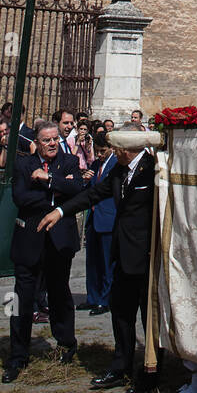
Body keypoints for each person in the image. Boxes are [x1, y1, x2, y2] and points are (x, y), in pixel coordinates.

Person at [39, 129, 157, 393]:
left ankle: (150, 373)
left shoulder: (153, 170)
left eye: (117, 148)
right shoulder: (119, 171)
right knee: (121, 313)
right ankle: (121, 365)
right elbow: (93, 194)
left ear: (128, 148)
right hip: (122, 255)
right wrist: (60, 211)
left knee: (149, 317)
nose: (113, 152)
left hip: (146, 256)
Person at [4, 119, 84, 383]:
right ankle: (17, 354)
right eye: (46, 140)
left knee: (60, 294)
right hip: (30, 238)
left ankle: (66, 344)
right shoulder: (23, 165)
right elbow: (20, 198)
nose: (52, 144)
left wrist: (48, 179)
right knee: (21, 299)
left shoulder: (69, 162)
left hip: (59, 241)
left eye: (55, 140)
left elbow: (77, 191)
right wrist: (56, 193)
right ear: (36, 143)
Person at [83, 134, 116, 316]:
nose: (100, 155)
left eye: (103, 152)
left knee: (106, 263)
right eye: (97, 152)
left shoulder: (116, 165)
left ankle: (105, 299)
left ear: (110, 148)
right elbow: (89, 191)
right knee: (92, 262)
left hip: (108, 218)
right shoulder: (95, 165)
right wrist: (86, 180)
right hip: (94, 217)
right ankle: (92, 297)